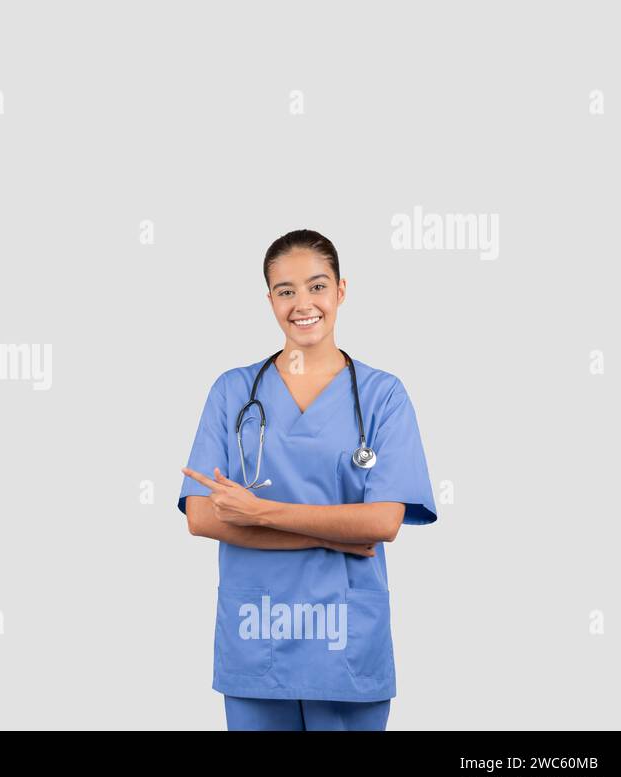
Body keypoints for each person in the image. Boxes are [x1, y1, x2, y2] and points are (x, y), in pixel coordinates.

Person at [178, 229, 438, 731]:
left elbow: (383, 521)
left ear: (341, 290)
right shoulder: (233, 391)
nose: (303, 303)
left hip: (345, 640)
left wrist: (256, 512)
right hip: (257, 639)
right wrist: (328, 532)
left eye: (317, 286)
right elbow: (201, 515)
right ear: (270, 299)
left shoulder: (384, 396)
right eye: (285, 290)